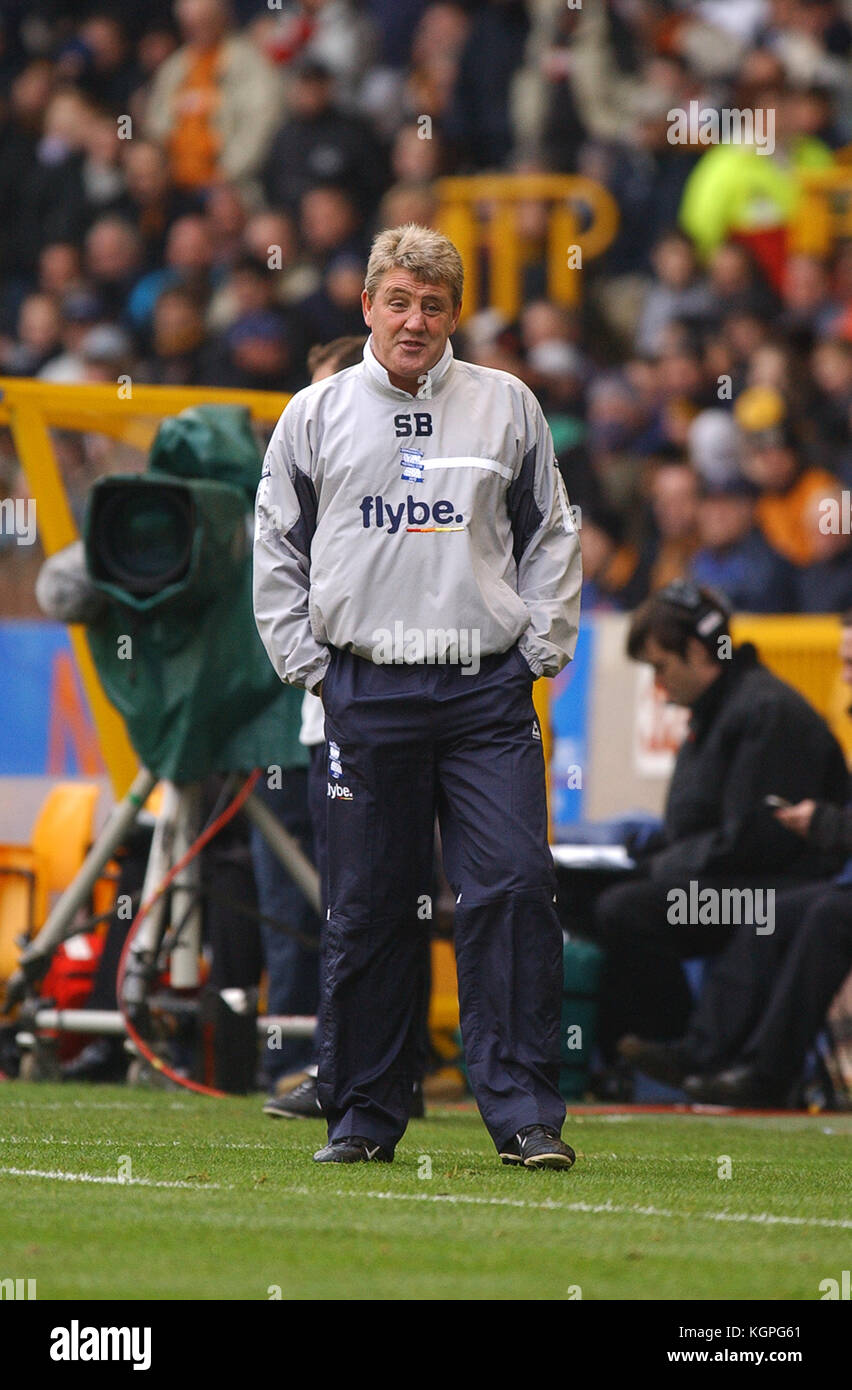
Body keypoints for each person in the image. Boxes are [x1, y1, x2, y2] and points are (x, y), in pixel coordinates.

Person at [254, 223, 582, 1167]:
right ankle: (362, 1118)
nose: (416, 320)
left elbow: (552, 533)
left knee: (515, 886)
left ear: (454, 315)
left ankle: (524, 1116)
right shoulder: (314, 415)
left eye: (434, 305)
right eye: (398, 301)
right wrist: (314, 671)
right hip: (368, 689)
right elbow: (274, 546)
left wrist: (538, 648)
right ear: (367, 306)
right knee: (366, 907)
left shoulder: (507, 406)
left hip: (485, 694)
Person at [596, 581, 849, 1073]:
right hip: (733, 876)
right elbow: (704, 827)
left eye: (660, 667)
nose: (657, 685)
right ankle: (608, 1059)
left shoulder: (765, 712)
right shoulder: (715, 710)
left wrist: (662, 866)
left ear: (694, 651)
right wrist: (654, 856)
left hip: (777, 884)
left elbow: (758, 841)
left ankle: (685, 1052)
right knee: (585, 894)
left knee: (625, 907)